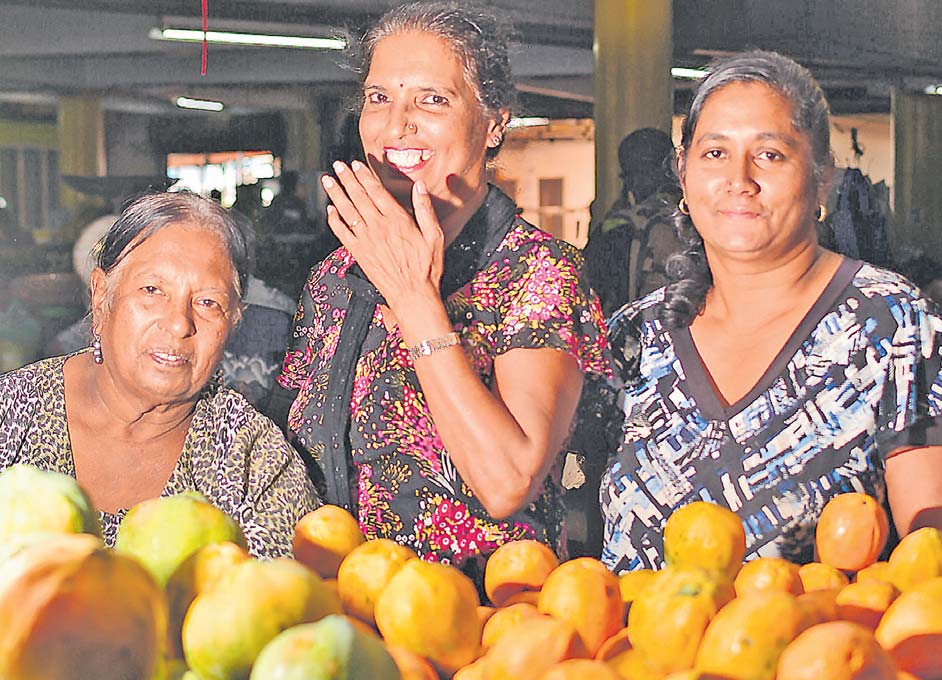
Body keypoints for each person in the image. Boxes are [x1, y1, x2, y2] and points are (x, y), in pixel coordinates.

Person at [273, 1, 611, 579]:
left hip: (484, 629)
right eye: (379, 97)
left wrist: (414, 301)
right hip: (342, 623)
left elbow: (509, 482)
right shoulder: (337, 275)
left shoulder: (539, 274)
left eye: (432, 100)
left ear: (494, 121)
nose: (396, 124)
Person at [600, 50, 942, 573]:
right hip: (625, 650)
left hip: (816, 650)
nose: (740, 179)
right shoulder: (636, 337)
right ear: (684, 176)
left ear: (822, 177)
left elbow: (929, 563)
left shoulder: (890, 323)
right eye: (714, 153)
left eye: (771, 155)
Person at [0, 192, 320, 557]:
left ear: (233, 322)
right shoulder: (11, 411)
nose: (179, 323)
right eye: (152, 290)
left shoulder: (254, 460)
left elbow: (286, 600)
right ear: (102, 296)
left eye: (208, 303)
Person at [583, 128, 683, 315]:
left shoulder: (614, 228)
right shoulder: (698, 219)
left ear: (630, 178)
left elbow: (590, 289)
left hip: (635, 334)